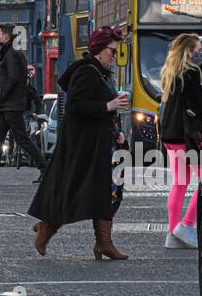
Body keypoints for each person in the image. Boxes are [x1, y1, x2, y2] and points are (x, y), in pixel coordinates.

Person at [29, 26, 130, 260]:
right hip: (83, 145)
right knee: (76, 192)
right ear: (99, 50)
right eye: (112, 51)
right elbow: (77, 106)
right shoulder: (86, 72)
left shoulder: (100, 72)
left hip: (98, 142)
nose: (114, 56)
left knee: (105, 192)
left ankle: (103, 243)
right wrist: (109, 106)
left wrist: (116, 132)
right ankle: (47, 227)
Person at [158, 33, 202, 250]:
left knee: (179, 183)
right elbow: (200, 104)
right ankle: (186, 225)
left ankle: (172, 234)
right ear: (189, 51)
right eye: (197, 51)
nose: (200, 54)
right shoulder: (190, 73)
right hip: (187, 135)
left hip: (171, 134)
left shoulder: (170, 72)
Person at [0, 24, 48, 184]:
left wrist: (1, 94)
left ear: (6, 36)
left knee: (22, 139)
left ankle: (45, 168)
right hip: (8, 105)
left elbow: (13, 78)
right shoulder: (9, 53)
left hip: (11, 105)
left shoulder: (12, 54)